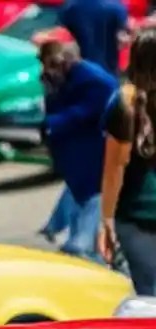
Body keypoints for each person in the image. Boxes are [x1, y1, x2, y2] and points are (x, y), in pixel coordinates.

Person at [37, 40, 117, 261]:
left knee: (91, 216)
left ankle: (82, 251)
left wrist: (55, 123)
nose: (48, 71)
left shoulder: (93, 81)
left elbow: (93, 107)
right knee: (80, 204)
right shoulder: (66, 79)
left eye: (52, 64)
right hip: (79, 163)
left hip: (93, 160)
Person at [99, 27, 156, 294]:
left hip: (136, 214)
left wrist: (106, 219)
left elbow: (115, 168)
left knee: (150, 297)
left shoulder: (124, 101)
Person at [58, 0, 130, 77]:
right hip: (108, 73)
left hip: (79, 74)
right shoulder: (117, 7)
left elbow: (61, 38)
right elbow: (123, 41)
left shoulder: (69, 6)